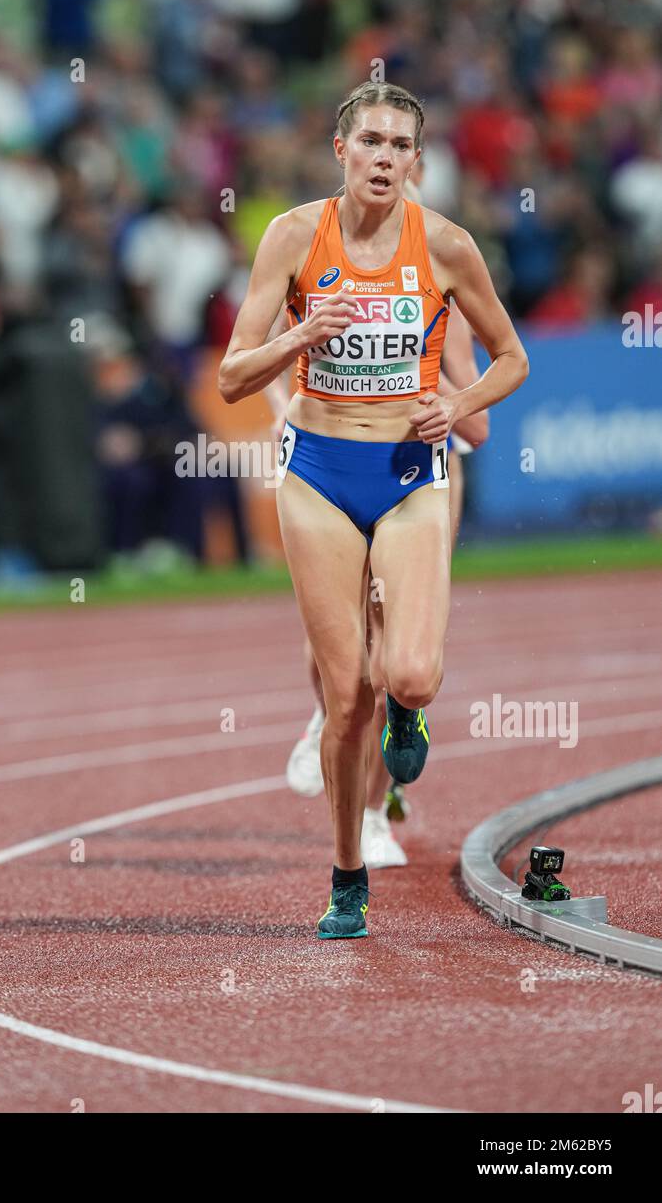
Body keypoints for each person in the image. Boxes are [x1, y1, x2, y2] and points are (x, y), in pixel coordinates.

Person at [218, 81, 528, 939]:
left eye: (400, 147)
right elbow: (233, 376)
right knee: (343, 691)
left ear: (415, 162)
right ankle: (348, 875)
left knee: (411, 674)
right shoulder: (291, 236)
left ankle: (408, 709)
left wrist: (456, 408)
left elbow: (511, 361)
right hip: (316, 471)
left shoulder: (448, 246)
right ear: (341, 150)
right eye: (372, 143)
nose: (385, 159)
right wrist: (299, 336)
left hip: (409, 469)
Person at [270, 293, 489, 869]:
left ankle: (372, 811)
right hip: (330, 462)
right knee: (339, 650)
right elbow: (260, 358)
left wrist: (424, 390)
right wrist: (286, 404)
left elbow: (479, 423)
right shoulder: (321, 275)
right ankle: (330, 713)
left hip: (417, 474)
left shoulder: (446, 297)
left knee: (390, 655)